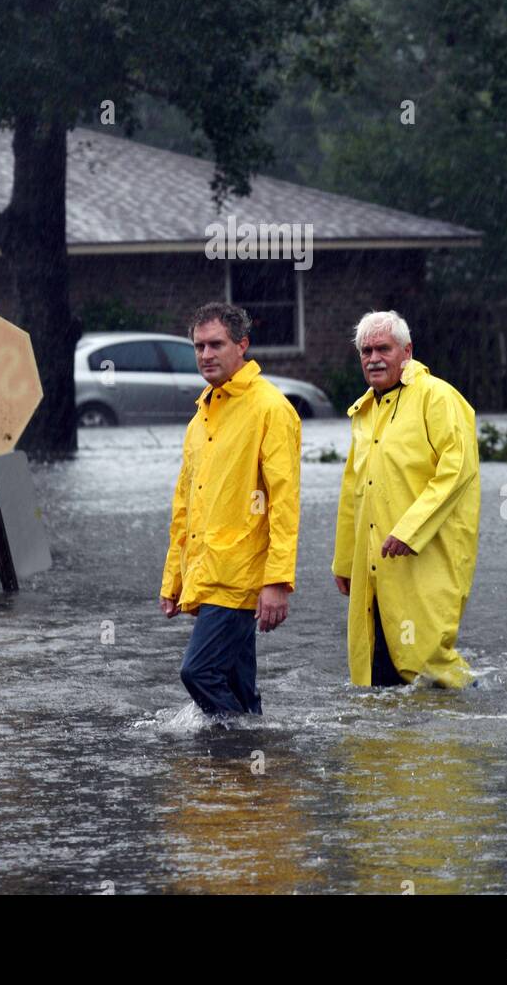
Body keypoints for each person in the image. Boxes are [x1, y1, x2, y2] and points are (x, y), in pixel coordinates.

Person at [159, 302, 301, 716]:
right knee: (240, 689)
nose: (206, 355)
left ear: (242, 345)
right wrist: (175, 577)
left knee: (198, 672)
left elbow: (284, 503)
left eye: (216, 344)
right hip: (208, 569)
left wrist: (277, 581)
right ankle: (251, 760)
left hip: (240, 576)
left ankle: (233, 748)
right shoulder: (201, 415)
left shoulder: (271, 409)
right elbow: (185, 506)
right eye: (199, 346)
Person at [332, 310, 480, 689]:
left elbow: (457, 471)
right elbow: (354, 490)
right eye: (365, 351)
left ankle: (456, 731)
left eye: (383, 348)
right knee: (376, 668)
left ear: (407, 351)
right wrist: (346, 560)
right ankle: (388, 747)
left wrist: (410, 530)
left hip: (427, 555)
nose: (373, 358)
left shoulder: (439, 398)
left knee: (430, 664)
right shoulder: (365, 410)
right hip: (374, 561)